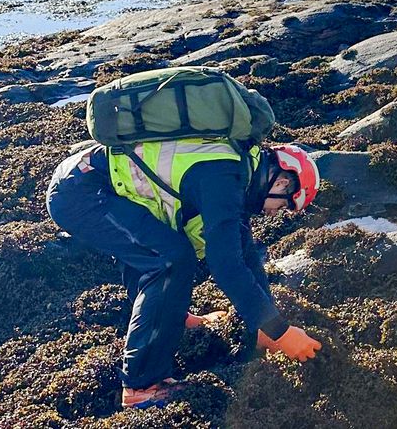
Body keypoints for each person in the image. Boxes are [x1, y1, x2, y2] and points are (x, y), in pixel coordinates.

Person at [46, 139, 324, 409]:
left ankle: (172, 318)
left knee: (161, 253)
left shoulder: (236, 172)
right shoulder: (224, 177)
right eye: (287, 204)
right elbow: (226, 265)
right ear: (283, 181)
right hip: (81, 192)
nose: (277, 213)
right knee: (170, 259)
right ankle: (141, 386)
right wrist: (282, 332)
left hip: (88, 180)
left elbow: (244, 253)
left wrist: (265, 328)